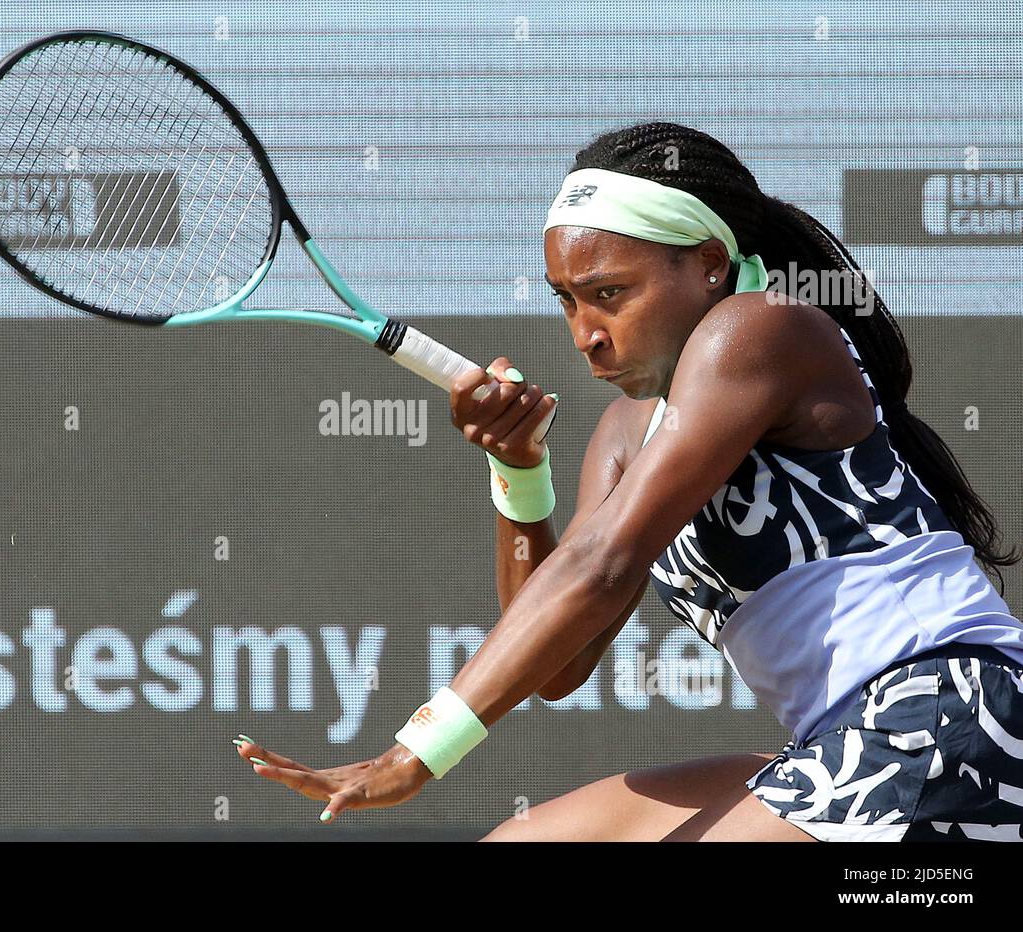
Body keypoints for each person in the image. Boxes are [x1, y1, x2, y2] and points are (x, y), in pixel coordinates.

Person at [237, 122, 1022, 841]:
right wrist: (517, 473)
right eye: (567, 301)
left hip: (953, 715)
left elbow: (603, 564)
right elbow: (560, 667)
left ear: (711, 266)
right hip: (838, 738)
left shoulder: (758, 327)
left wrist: (415, 753)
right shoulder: (623, 435)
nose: (587, 333)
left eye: (610, 293)